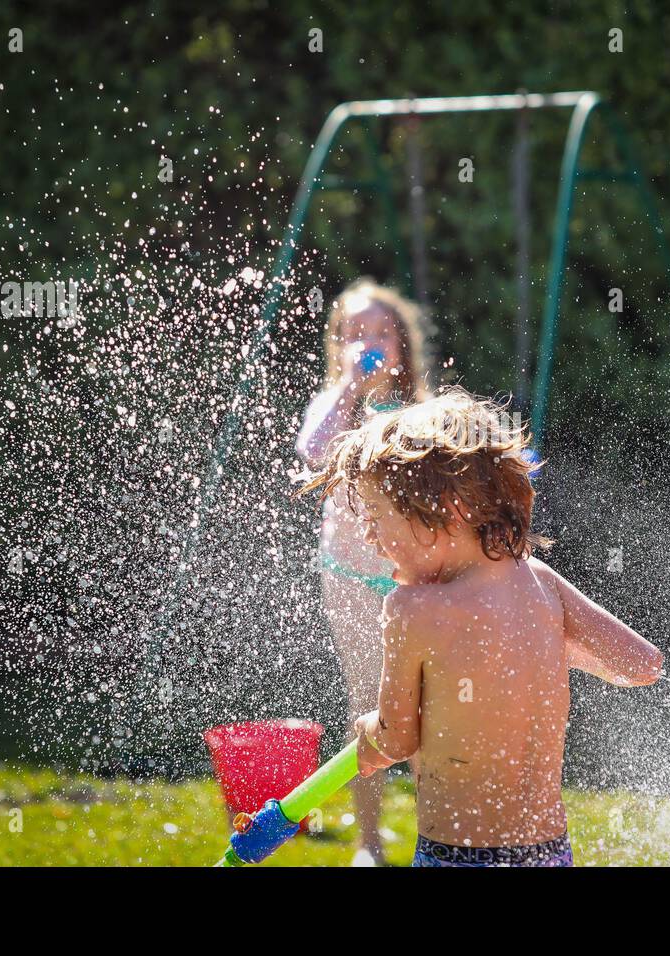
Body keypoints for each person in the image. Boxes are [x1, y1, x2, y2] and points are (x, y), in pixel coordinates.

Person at [299, 387, 663, 867]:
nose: (367, 535)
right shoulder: (540, 581)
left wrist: (367, 731)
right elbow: (641, 663)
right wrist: (529, 647)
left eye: (375, 516)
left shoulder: (413, 608)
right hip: (548, 853)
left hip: (457, 856)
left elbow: (396, 739)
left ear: (444, 512)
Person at [295, 278, 432, 866]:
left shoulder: (421, 413)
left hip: (415, 582)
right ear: (339, 346)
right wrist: (350, 386)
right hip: (351, 582)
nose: (370, 344)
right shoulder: (334, 408)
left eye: (382, 333)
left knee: (433, 712)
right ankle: (369, 844)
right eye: (356, 334)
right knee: (369, 710)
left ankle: (438, 840)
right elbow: (313, 451)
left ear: (402, 346)